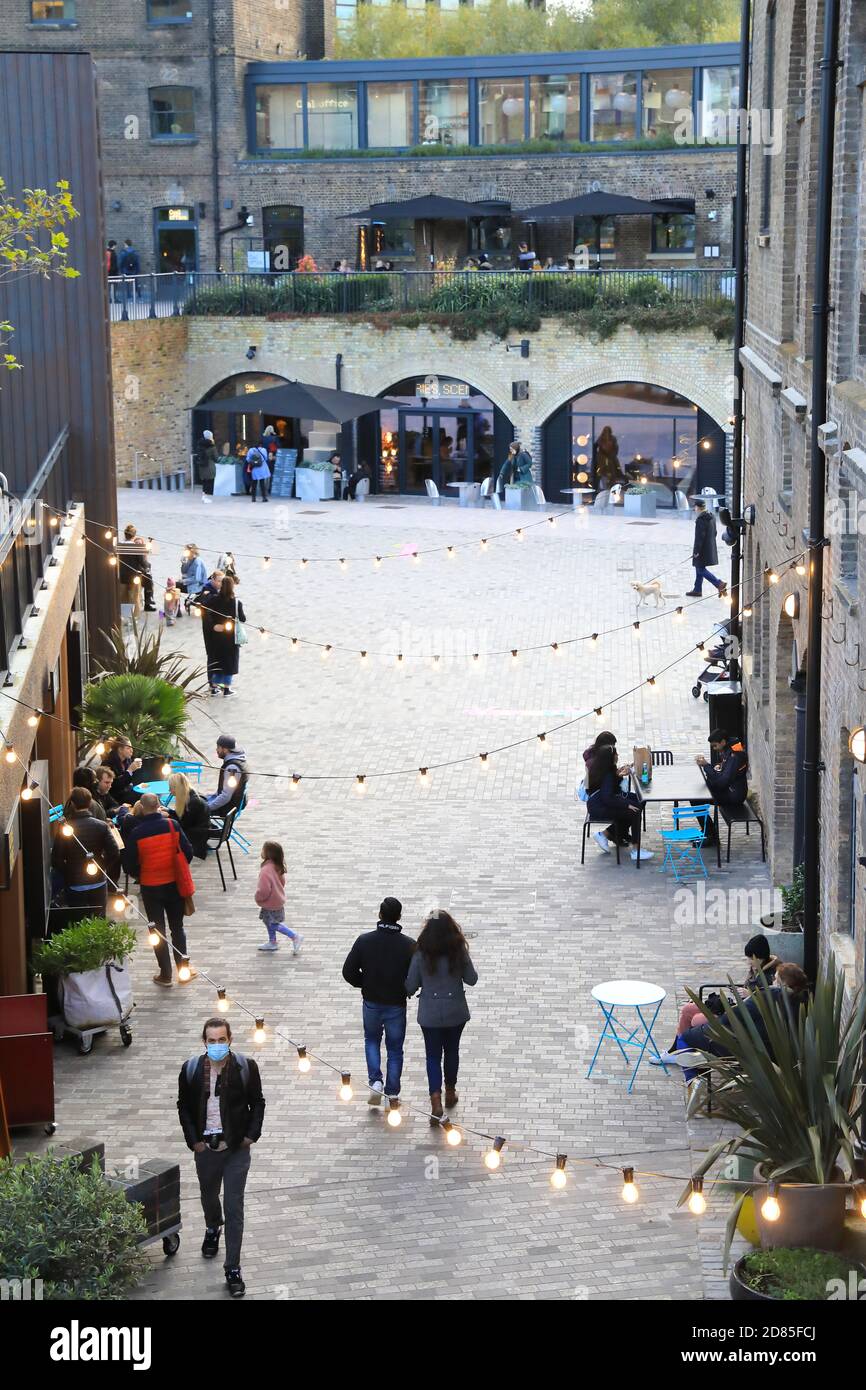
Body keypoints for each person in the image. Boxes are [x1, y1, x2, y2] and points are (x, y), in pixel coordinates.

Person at [177, 1016, 265, 1299]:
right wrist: (194, 1142)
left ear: (230, 1040)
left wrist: (250, 1136)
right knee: (208, 1195)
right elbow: (184, 1107)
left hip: (236, 1148)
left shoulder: (245, 1067)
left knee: (234, 1207)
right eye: (211, 1040)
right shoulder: (191, 1070)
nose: (217, 1045)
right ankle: (213, 1226)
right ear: (204, 1042)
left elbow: (258, 1102)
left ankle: (233, 1268)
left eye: (222, 1040)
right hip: (206, 1149)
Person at [342, 897, 415, 1106]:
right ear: (399, 917)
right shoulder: (409, 945)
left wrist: (364, 983)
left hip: (371, 1002)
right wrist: (407, 989)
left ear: (380, 915)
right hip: (396, 1004)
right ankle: (392, 1093)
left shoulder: (364, 941)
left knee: (372, 1040)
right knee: (395, 1049)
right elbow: (415, 976)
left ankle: (375, 1081)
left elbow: (348, 971)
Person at [405, 910, 477, 1123]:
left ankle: (435, 1101)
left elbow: (410, 985)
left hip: (430, 1014)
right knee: (452, 1051)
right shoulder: (458, 951)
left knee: (433, 1056)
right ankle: (450, 1092)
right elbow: (472, 979)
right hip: (455, 1011)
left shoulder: (421, 953)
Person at [123, 791, 196, 987]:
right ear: (158, 806)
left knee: (157, 931)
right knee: (177, 928)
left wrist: (141, 875)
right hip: (174, 885)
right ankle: (183, 970)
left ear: (141, 807)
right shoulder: (172, 825)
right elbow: (188, 852)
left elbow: (128, 865)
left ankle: (165, 974)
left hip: (151, 888)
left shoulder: (137, 833)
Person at [677, 962, 810, 1061]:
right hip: (754, 1041)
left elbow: (731, 1018)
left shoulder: (768, 997)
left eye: (775, 979)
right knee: (690, 1012)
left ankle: (692, 1077)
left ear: (783, 985)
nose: (772, 981)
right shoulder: (800, 1003)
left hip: (742, 1044)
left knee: (686, 1035)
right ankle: (686, 1057)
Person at [671, 934, 780, 1043]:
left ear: (761, 957)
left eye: (752, 959)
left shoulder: (770, 977)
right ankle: (677, 1047)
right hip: (733, 1008)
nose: (749, 962)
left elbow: (766, 1006)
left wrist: (750, 995)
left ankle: (683, 1046)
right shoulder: (757, 968)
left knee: (696, 1020)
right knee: (687, 1009)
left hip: (739, 1019)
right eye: (748, 958)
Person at [51, 787, 121, 923]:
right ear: (90, 803)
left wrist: (68, 872)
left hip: (75, 883)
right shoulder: (101, 826)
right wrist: (102, 867)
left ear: (72, 803)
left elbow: (56, 858)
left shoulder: (65, 828)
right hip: (98, 881)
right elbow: (114, 852)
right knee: (99, 921)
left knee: (78, 922)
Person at [585, 740, 652, 861]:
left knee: (639, 801)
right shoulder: (607, 774)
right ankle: (636, 850)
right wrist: (626, 805)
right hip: (600, 807)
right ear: (610, 757)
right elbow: (607, 797)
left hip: (602, 802)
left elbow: (610, 790)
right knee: (635, 811)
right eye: (616, 753)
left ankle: (607, 834)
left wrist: (618, 775)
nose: (618, 755)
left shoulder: (606, 769)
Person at [695, 730, 749, 844]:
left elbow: (722, 782)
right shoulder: (729, 750)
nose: (714, 748)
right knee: (698, 792)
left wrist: (707, 766)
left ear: (723, 742)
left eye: (715, 746)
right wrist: (715, 768)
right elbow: (724, 771)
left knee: (697, 799)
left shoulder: (734, 755)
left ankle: (710, 835)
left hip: (733, 796)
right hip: (730, 789)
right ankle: (708, 831)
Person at [199, 576, 246, 695]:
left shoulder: (214, 600)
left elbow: (204, 607)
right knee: (229, 663)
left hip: (217, 637)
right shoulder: (236, 603)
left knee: (217, 661)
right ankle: (226, 689)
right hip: (230, 638)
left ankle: (214, 687)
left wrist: (213, 625)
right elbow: (243, 619)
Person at [254, 841, 302, 954]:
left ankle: (294, 936)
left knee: (273, 924)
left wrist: (258, 897)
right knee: (268, 921)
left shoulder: (266, 870)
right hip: (276, 900)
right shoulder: (277, 866)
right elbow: (282, 882)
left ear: (268, 853)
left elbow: (263, 890)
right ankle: (272, 942)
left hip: (270, 902)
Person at [686, 498, 728, 598]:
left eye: (695, 507)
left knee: (700, 569)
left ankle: (719, 583)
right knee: (699, 567)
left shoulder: (701, 519)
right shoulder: (711, 516)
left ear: (698, 508)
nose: (694, 509)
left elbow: (699, 537)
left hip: (702, 549)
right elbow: (715, 533)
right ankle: (697, 590)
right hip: (709, 547)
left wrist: (697, 551)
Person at [168, 771, 211, 860]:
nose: (169, 791)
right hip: (198, 831)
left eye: (171, 788)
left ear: (177, 788)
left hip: (196, 837)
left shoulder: (193, 803)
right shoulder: (191, 796)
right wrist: (168, 811)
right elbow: (184, 818)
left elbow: (182, 824)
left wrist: (168, 816)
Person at [205, 735, 248, 820]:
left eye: (218, 747)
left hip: (228, 808)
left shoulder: (232, 768)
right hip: (231, 804)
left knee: (193, 810)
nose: (216, 750)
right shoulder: (239, 761)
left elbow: (226, 796)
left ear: (225, 749)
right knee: (199, 799)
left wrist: (207, 808)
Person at [104, 736, 143, 805]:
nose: (131, 750)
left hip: (127, 790)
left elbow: (130, 779)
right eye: (128, 748)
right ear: (120, 749)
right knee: (142, 796)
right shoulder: (109, 763)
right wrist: (130, 770)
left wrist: (135, 771)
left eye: (131, 748)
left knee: (145, 792)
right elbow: (115, 786)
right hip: (115, 796)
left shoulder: (127, 760)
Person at [197, 430, 218, 503]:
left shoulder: (200, 445)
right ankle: (206, 497)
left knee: (204, 482)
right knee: (209, 482)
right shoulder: (212, 447)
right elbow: (216, 458)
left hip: (202, 466)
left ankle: (204, 496)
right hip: (209, 466)